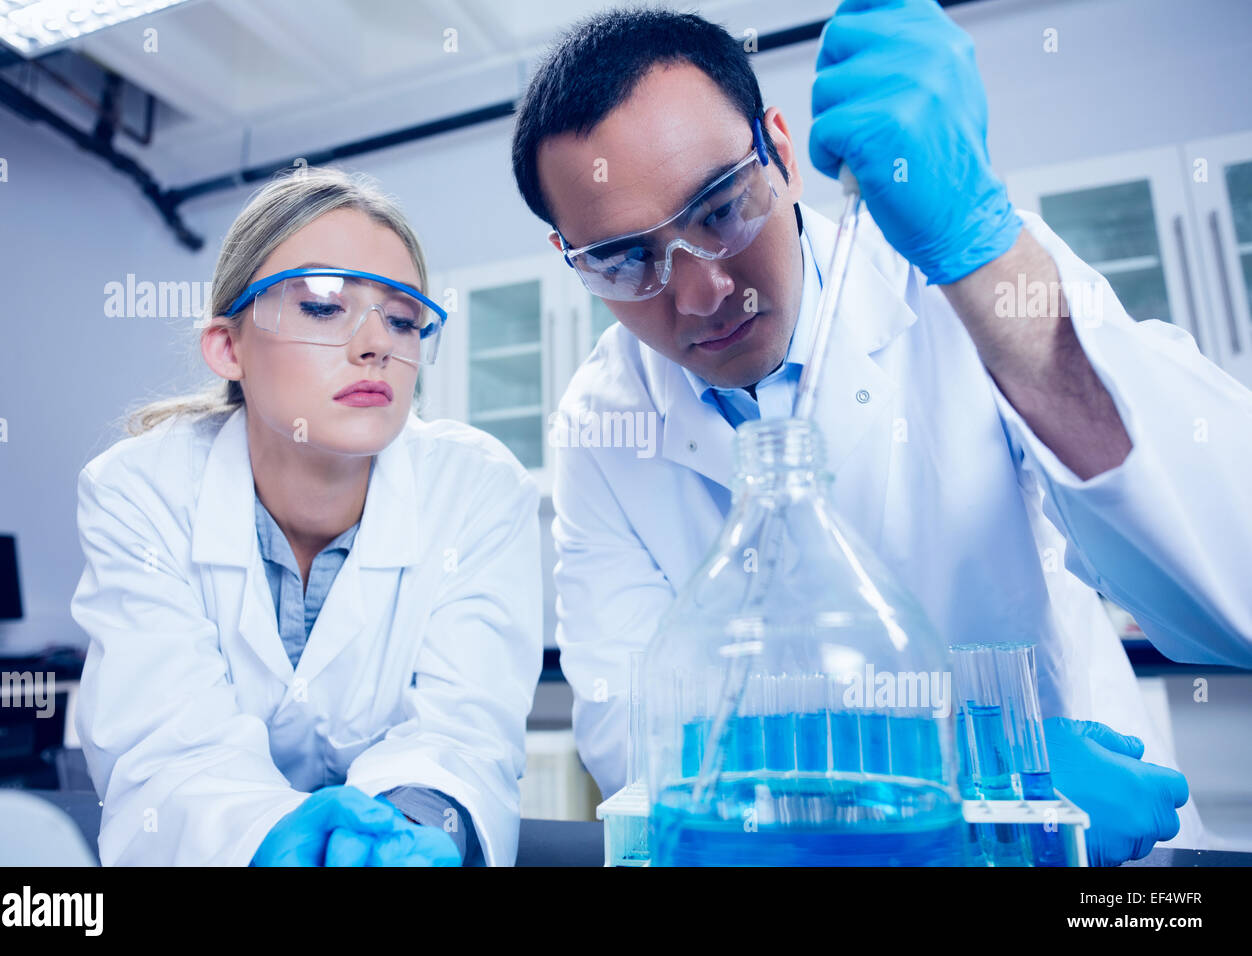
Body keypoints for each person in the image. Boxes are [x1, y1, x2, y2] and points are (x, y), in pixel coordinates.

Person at [512, 1, 1252, 864]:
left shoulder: (961, 276)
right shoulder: (602, 421)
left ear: (781, 155)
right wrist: (977, 772)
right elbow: (639, 735)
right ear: (575, 258)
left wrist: (982, 255)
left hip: (1078, 853)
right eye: (626, 259)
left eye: (719, 210)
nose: (700, 292)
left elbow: (1230, 594)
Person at [70, 167, 542, 866]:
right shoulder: (139, 492)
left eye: (404, 318)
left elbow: (465, 732)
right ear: (229, 347)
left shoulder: (478, 488)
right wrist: (262, 841)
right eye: (323, 306)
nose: (377, 342)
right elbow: (165, 746)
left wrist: (414, 825)